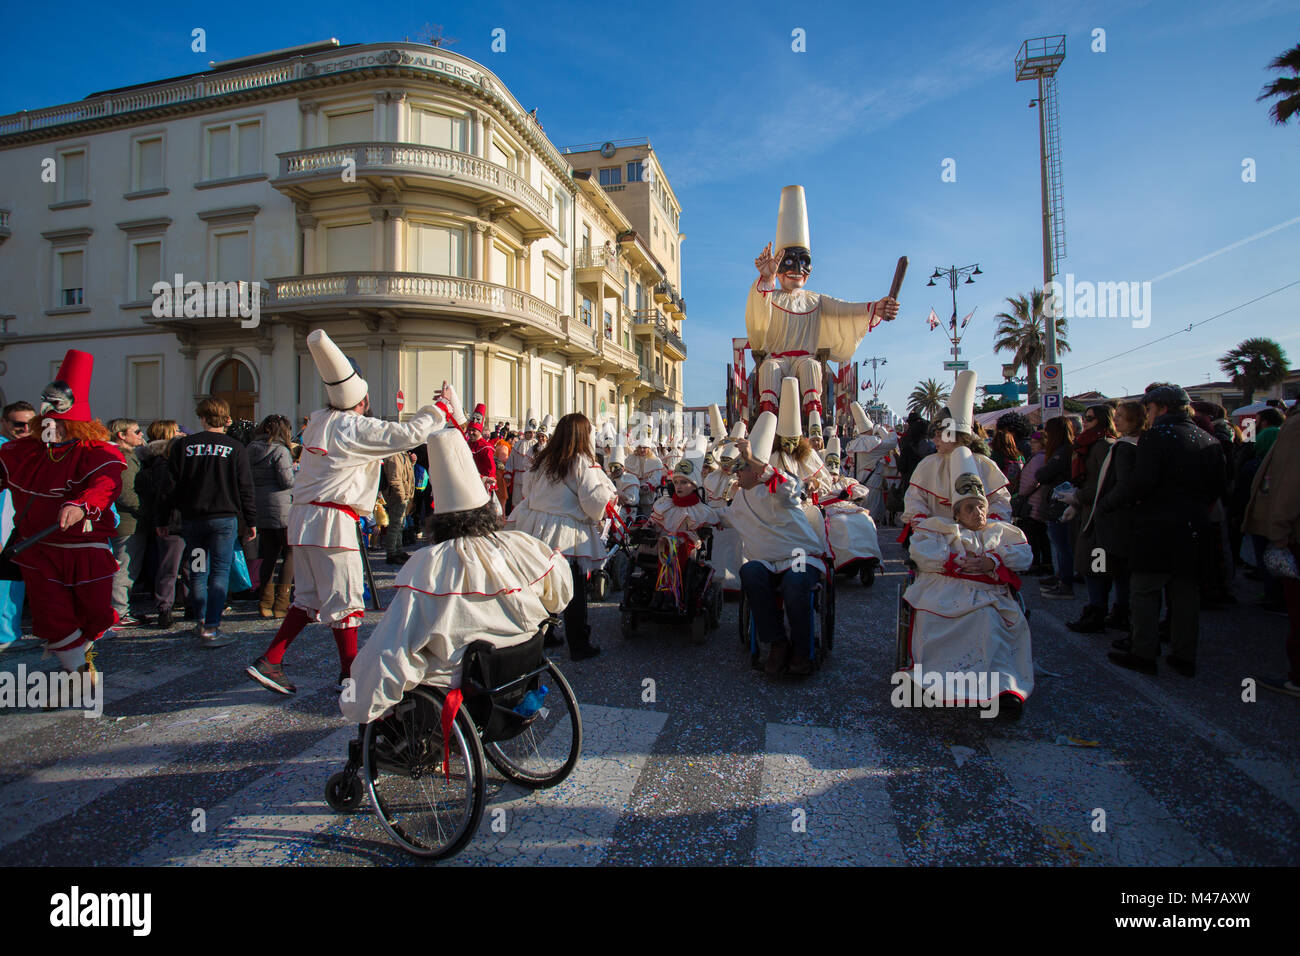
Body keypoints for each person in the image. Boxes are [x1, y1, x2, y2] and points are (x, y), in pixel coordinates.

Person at [246, 330, 451, 695]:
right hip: (331, 523)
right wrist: (442, 408)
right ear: (362, 398)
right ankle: (350, 678)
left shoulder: (318, 422)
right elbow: (407, 435)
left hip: (304, 520)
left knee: (307, 599)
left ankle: (272, 659)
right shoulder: (354, 426)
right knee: (347, 602)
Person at [342, 427, 572, 724]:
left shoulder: (429, 566)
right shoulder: (523, 545)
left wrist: (357, 702)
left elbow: (392, 650)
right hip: (518, 671)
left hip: (462, 686)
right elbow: (561, 592)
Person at [0, 350, 124, 678]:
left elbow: (106, 483)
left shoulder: (96, 451)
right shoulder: (21, 451)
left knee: (96, 612)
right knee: (51, 613)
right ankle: (77, 672)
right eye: (47, 419)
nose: (51, 426)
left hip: (85, 547)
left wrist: (81, 505)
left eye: (60, 420)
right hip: (38, 548)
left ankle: (80, 655)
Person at [901, 446, 1034, 719]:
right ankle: (934, 682)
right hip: (946, 588)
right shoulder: (942, 530)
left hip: (989, 593)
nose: (978, 514)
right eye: (970, 508)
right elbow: (921, 553)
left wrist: (992, 562)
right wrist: (951, 562)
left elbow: (1023, 557)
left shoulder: (1001, 532)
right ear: (957, 514)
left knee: (987, 621)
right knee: (934, 618)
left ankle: (998, 688)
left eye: (981, 507)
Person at [1104, 384, 1226, 676]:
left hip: (1156, 527)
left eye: (1149, 408)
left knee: (1145, 590)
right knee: (1185, 593)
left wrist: (1109, 504)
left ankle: (1143, 653)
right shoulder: (1208, 439)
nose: (1148, 414)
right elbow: (1220, 486)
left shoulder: (1157, 437)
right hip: (1194, 526)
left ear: (1162, 408)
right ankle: (1185, 655)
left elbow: (1141, 482)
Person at [745, 185, 899, 416]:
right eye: (788, 262)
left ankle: (814, 419)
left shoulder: (816, 300)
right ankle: (769, 417)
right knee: (769, 368)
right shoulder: (770, 296)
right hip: (776, 359)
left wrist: (875, 307)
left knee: (811, 367)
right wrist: (766, 279)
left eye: (803, 262)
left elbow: (845, 310)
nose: (797, 269)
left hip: (805, 360)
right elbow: (757, 312)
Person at [717, 412, 827, 676]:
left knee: (795, 583)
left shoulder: (779, 489)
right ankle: (777, 642)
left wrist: (753, 459)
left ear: (754, 471)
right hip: (766, 561)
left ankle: (802, 648)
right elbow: (719, 517)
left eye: (739, 470)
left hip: (799, 556)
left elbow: (792, 486)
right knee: (749, 573)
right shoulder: (740, 501)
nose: (735, 476)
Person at [506, 412, 614, 661]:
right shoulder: (580, 461)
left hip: (537, 526)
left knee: (543, 584)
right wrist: (607, 498)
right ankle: (579, 643)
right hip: (566, 533)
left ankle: (544, 635)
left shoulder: (544, 459)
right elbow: (592, 500)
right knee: (574, 589)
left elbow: (529, 490)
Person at [163, 397, 258, 647]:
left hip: (193, 520)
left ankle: (202, 620)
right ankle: (212, 626)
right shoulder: (234, 447)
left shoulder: (183, 446)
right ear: (225, 419)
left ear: (202, 418)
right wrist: (250, 520)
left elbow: (169, 487)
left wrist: (164, 518)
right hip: (223, 521)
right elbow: (245, 487)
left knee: (198, 570)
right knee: (219, 572)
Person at [903, 372, 1011, 535]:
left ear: (955, 434)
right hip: (938, 536)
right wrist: (922, 522)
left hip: (980, 538)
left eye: (940, 435)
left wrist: (989, 525)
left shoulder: (983, 463)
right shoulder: (929, 464)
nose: (935, 440)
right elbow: (915, 498)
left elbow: (1000, 501)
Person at [1242, 409, 1300, 696]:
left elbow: (1290, 485)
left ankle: (1298, 677)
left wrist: (1278, 530)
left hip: (1292, 532)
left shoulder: (1292, 430)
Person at [1084, 402, 1147, 633]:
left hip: (1109, 521)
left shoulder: (1122, 447)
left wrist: (1102, 506)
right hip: (1122, 520)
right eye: (1117, 415)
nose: (1118, 419)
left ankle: (1098, 610)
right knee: (1120, 570)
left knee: (1099, 566)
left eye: (1123, 416)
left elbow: (1122, 486)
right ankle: (1118, 610)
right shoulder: (1138, 444)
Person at [1064, 405, 1119, 630]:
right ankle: (1101, 607)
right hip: (1089, 512)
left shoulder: (1103, 445)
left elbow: (1103, 484)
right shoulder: (1090, 444)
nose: (1085, 422)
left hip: (1099, 517)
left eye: (1090, 419)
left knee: (1097, 565)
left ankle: (1098, 610)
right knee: (1095, 565)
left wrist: (1077, 496)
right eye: (1085, 418)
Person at [649, 438, 721, 610]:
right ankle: (661, 590)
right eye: (676, 482)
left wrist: (694, 535)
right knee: (661, 546)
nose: (679, 486)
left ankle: (671, 593)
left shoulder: (700, 510)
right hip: (665, 543)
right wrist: (649, 527)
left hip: (689, 545)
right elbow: (656, 523)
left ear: (694, 486)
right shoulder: (665, 505)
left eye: (684, 482)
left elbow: (702, 532)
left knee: (676, 547)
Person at [137, 419, 186, 628]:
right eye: (176, 431)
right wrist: (163, 520)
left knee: (185, 566)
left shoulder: (154, 462)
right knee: (173, 566)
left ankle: (185, 601)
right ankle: (166, 606)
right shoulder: (163, 465)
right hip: (175, 522)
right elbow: (163, 497)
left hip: (176, 522)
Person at [247, 414, 296, 619]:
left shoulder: (250, 449)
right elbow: (286, 481)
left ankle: (264, 602)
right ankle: (281, 604)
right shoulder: (280, 450)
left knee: (268, 555)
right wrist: (296, 473)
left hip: (260, 507)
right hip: (281, 507)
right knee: (290, 553)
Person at [106, 418, 148, 627]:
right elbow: (126, 493)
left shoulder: (128, 456)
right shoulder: (122, 457)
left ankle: (119, 609)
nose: (141, 435)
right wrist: (146, 511)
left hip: (128, 520)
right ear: (122, 435)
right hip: (127, 521)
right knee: (124, 568)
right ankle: (118, 611)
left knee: (123, 567)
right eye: (137, 431)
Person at [819, 435, 883, 571]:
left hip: (848, 508)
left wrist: (850, 492)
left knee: (866, 520)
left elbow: (861, 490)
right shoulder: (821, 483)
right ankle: (845, 558)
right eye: (829, 473)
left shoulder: (846, 481)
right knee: (842, 524)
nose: (832, 477)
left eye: (834, 474)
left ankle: (868, 554)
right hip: (829, 511)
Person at [0, 401, 34, 648]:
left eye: (30, 424)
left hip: (21, 526)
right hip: (4, 526)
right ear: (4, 423)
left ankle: (10, 632)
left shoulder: (31, 450)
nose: (24, 428)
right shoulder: (4, 450)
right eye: (18, 424)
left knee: (15, 580)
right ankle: (6, 635)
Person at [1032, 416, 1078, 599]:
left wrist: (1041, 472)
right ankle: (1061, 577)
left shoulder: (1063, 452)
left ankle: (1065, 582)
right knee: (1061, 544)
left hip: (1060, 502)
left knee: (1062, 545)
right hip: (1059, 500)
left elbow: (1043, 474)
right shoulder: (1067, 450)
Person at [1015, 431, 1052, 574]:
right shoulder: (1044, 457)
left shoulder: (1038, 459)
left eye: (1034, 442)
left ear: (1042, 443)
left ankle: (1034, 564)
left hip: (1033, 501)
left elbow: (1032, 481)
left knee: (1032, 535)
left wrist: (1022, 493)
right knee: (1041, 534)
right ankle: (1046, 563)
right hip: (1039, 500)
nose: (1031, 445)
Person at [381, 449, 415, 565]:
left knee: (400, 525)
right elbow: (394, 479)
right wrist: (402, 496)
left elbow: (405, 473)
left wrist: (412, 462)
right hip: (397, 496)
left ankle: (398, 551)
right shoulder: (394, 456)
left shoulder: (402, 454)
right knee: (395, 525)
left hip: (403, 495)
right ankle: (391, 553)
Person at [503, 410, 537, 512]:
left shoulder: (537, 445)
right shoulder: (517, 445)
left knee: (530, 499)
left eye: (532, 433)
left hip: (532, 477)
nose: (530, 434)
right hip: (518, 476)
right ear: (525, 433)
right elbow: (511, 460)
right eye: (528, 432)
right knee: (517, 500)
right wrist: (508, 473)